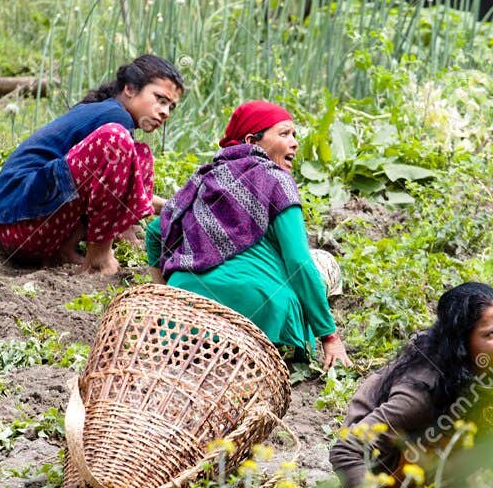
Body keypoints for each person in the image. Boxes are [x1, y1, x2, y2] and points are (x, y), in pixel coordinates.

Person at [146, 101, 351, 369]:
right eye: (284, 133)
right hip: (255, 312)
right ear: (252, 140)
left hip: (182, 311)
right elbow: (299, 262)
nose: (294, 143)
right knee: (313, 272)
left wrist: (166, 300)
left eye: (295, 135)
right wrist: (330, 337)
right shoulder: (274, 180)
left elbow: (154, 232)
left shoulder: (206, 179)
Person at [0, 55, 183, 275]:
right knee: (118, 141)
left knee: (139, 155)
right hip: (21, 225)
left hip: (34, 223)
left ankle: (73, 247)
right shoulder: (116, 117)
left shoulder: (110, 113)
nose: (165, 112)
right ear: (130, 89)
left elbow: (128, 189)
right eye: (160, 99)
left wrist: (175, 207)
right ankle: (99, 258)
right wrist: (178, 207)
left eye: (171, 107)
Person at [330, 281, 493, 488]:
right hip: (386, 466)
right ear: (462, 345)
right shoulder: (423, 391)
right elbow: (346, 450)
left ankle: (461, 485)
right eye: (491, 333)